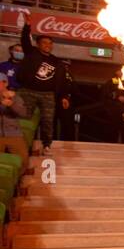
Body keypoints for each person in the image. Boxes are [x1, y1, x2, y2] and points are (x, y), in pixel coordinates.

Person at [17, 12, 73, 150]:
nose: (48, 45)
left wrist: (64, 96)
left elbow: (62, 81)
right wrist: (27, 26)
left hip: (47, 94)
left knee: (48, 120)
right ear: (38, 44)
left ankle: (46, 145)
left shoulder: (57, 62)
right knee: (25, 118)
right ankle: (23, 145)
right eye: (44, 43)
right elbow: (25, 40)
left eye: (50, 43)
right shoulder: (32, 53)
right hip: (28, 91)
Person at [0, 85, 29, 158]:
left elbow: (23, 113)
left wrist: (12, 105)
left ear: (6, 84)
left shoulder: (16, 98)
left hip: (14, 133)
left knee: (24, 160)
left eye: (2, 82)